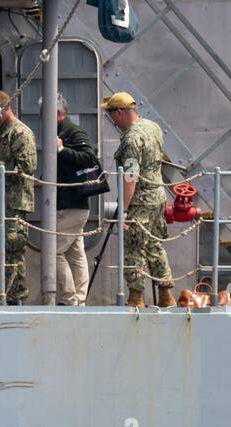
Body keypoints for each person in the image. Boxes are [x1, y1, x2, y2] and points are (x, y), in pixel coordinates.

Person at [102, 92, 174, 308]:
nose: (111, 119)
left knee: (134, 247)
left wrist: (123, 210)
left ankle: (136, 298)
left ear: (120, 112)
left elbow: (131, 177)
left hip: (140, 199)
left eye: (111, 114)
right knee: (154, 245)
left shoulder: (132, 138)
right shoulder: (153, 127)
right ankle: (166, 295)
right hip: (157, 195)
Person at [0, 90, 37, 305]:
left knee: (10, 254)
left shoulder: (21, 133)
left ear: (6, 108)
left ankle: (15, 301)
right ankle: (0, 296)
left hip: (12, 205)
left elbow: (28, 168)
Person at [54, 93, 98, 306]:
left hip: (72, 203)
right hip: (71, 203)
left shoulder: (72, 131)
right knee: (75, 252)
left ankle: (68, 298)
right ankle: (79, 300)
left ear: (58, 113)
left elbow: (89, 158)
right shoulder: (63, 131)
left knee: (52, 251)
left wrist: (62, 150)